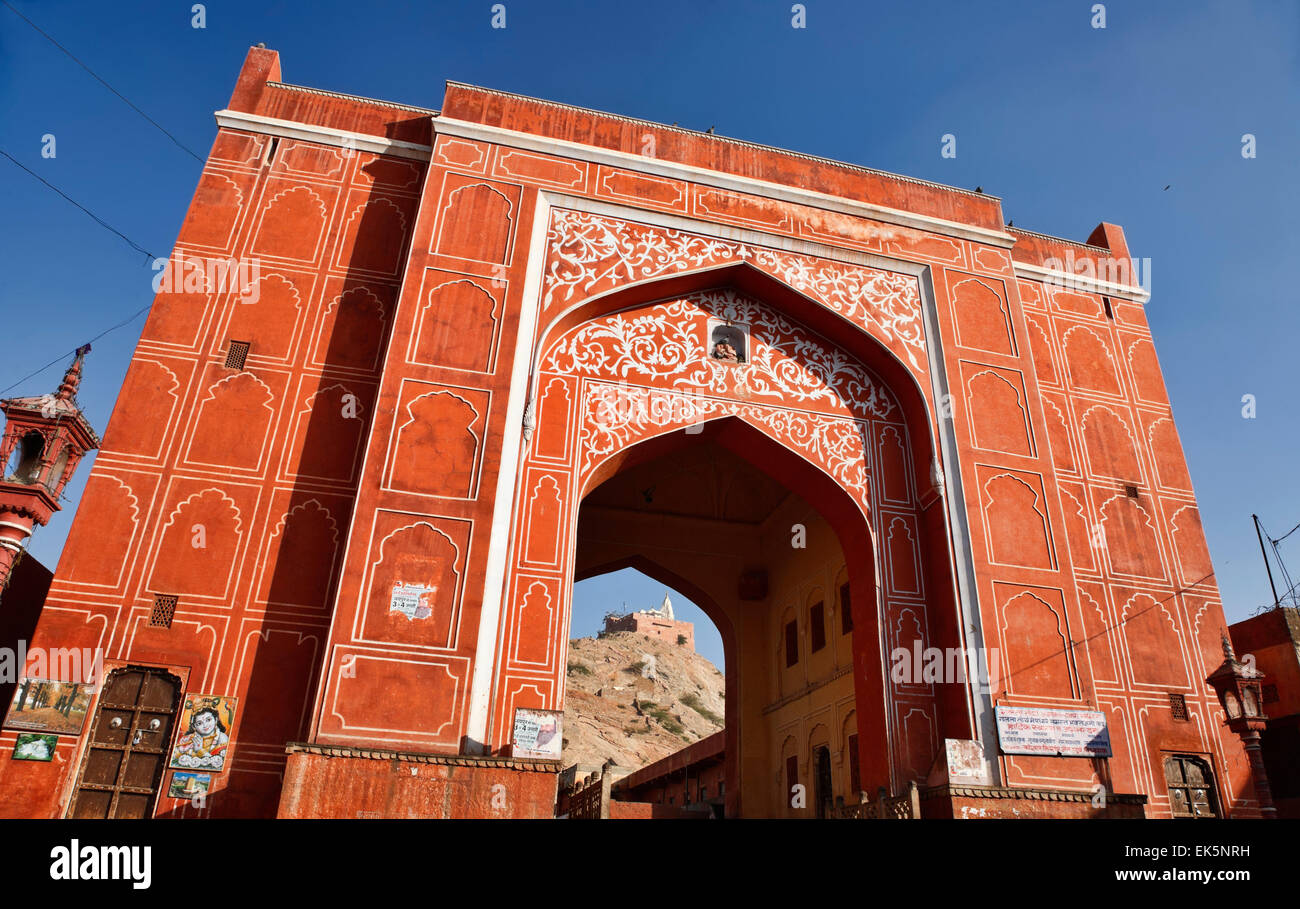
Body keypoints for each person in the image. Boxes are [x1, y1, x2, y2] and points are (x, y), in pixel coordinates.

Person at [171, 705, 230, 771]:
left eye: (208, 720)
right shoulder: (187, 739)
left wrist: (199, 750)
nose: (205, 725)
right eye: (199, 723)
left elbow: (218, 765)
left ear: (216, 719)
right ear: (194, 726)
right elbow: (174, 760)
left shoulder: (221, 737)